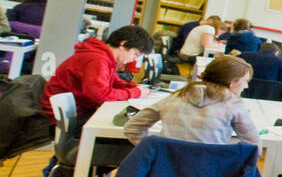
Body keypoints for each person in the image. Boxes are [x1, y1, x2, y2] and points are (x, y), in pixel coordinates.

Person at [124, 55, 260, 149]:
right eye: (245, 81)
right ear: (231, 83)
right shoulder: (234, 105)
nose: (246, 86)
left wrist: (157, 150)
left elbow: (132, 128)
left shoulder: (176, 96)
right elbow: (255, 147)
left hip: (165, 173)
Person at [41, 24, 155, 127]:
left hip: (74, 112)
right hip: (64, 119)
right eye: (135, 54)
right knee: (123, 130)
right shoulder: (97, 59)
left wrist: (134, 87)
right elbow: (100, 94)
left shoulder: (104, 56)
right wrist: (136, 92)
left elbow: (115, 82)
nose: (133, 59)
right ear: (123, 44)